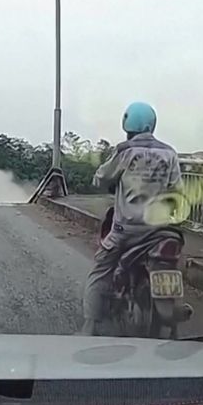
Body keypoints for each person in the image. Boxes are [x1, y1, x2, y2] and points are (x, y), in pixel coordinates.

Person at [80, 101, 182, 336]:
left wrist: (101, 182)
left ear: (127, 124)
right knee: (171, 261)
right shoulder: (170, 153)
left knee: (100, 268)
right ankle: (173, 320)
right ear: (151, 125)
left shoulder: (125, 151)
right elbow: (178, 189)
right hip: (161, 229)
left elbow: (102, 176)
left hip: (127, 229)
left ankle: (90, 326)